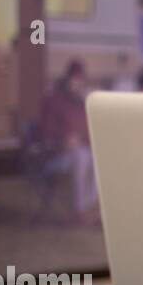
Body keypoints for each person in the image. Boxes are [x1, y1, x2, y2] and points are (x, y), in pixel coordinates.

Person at [37, 59, 99, 225]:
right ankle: (79, 210)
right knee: (82, 156)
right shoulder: (54, 100)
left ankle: (89, 206)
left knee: (98, 159)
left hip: (79, 152)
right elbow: (45, 130)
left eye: (80, 80)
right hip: (55, 156)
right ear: (68, 79)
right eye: (74, 79)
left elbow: (88, 134)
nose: (77, 83)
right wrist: (63, 141)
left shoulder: (81, 104)